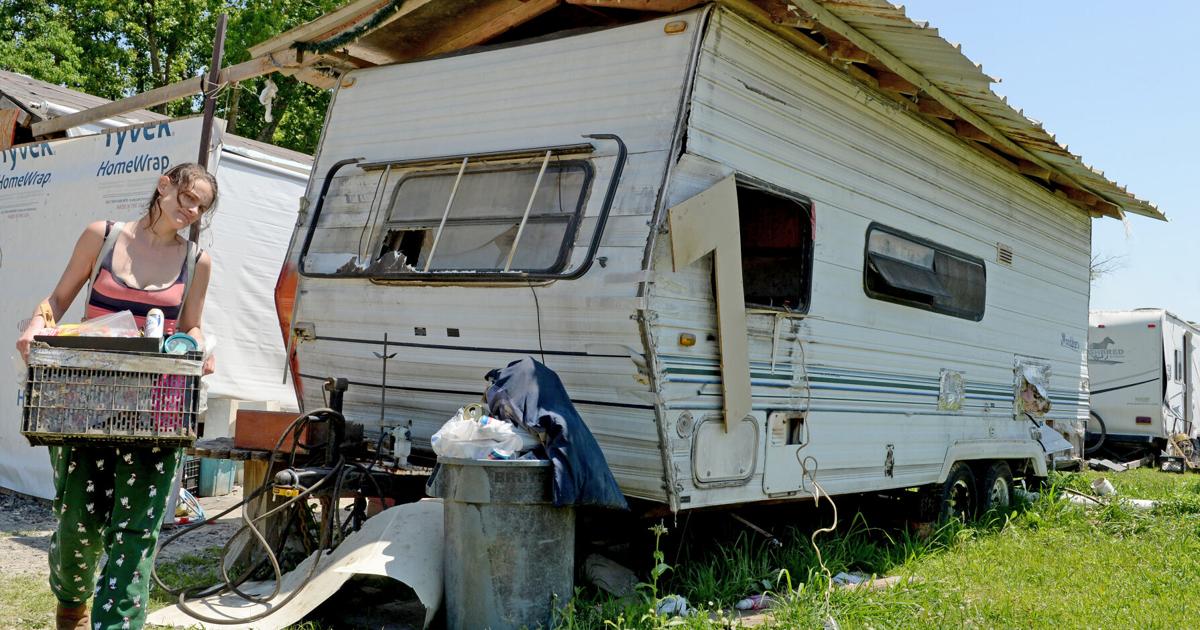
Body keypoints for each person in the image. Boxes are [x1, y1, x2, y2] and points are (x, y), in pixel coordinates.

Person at [15, 163, 217, 630]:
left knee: (136, 534)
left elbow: (191, 325)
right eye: (186, 197)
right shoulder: (101, 236)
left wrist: (202, 346)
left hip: (155, 413)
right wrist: (36, 322)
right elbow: (58, 298)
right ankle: (72, 611)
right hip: (84, 406)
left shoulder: (196, 261)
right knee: (77, 526)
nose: (190, 210)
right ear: (163, 185)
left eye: (200, 206)